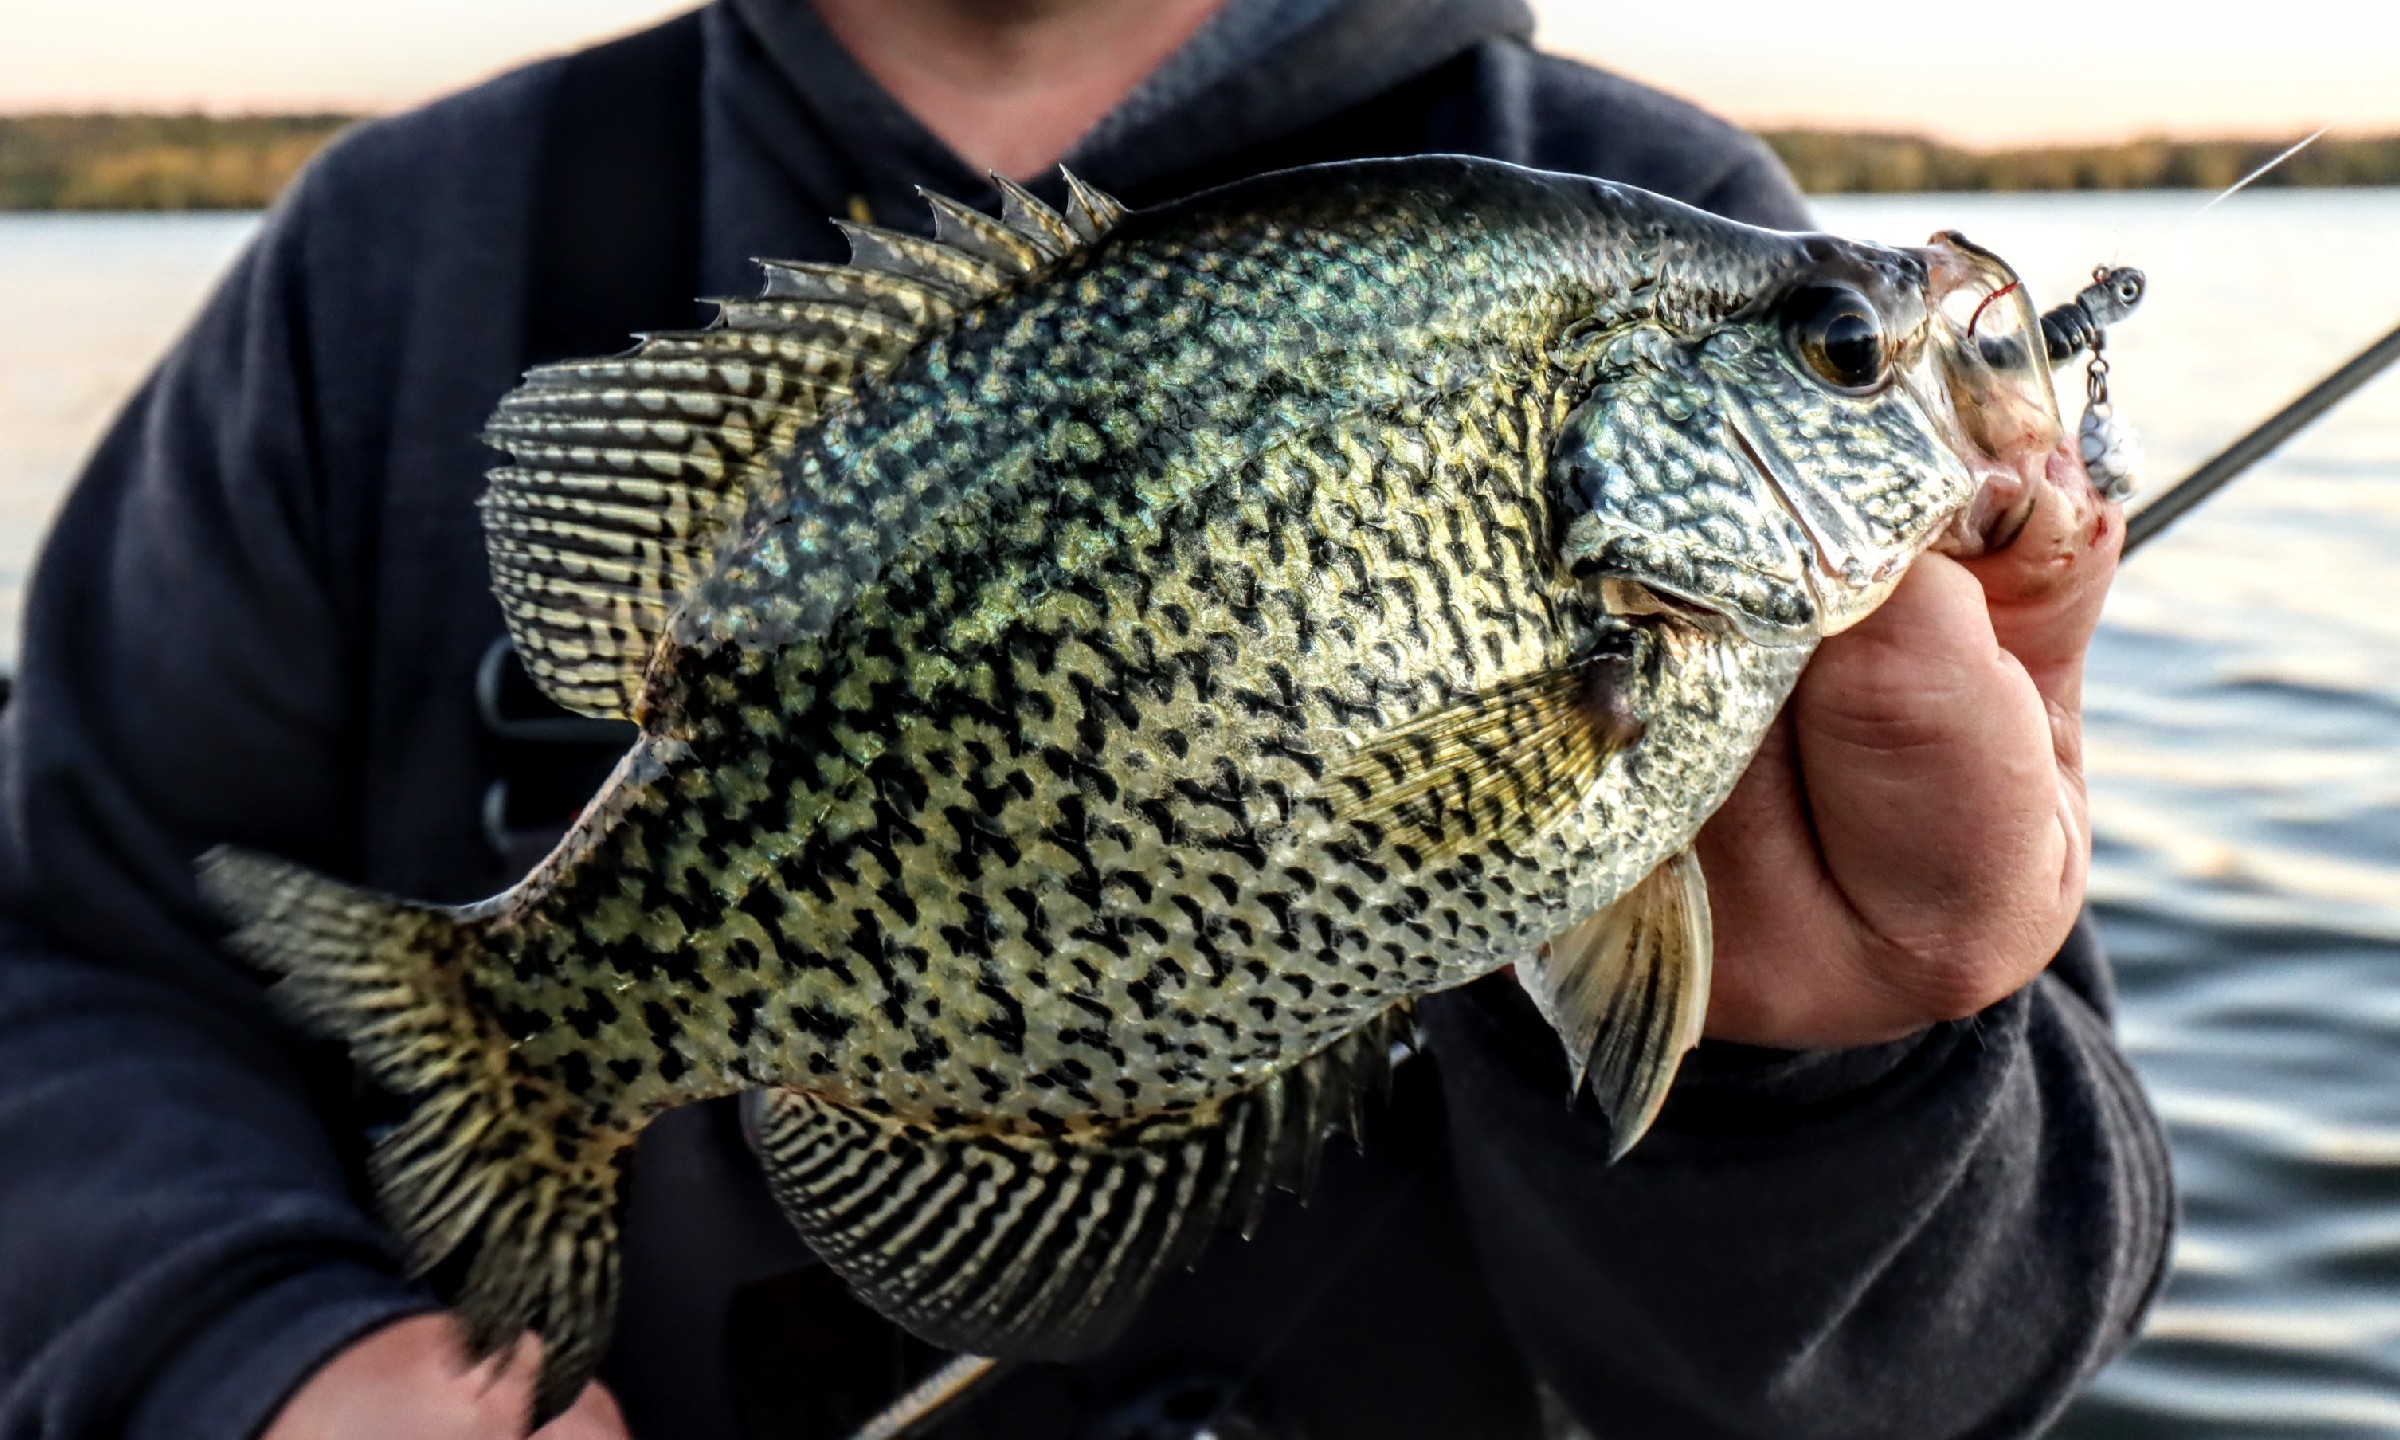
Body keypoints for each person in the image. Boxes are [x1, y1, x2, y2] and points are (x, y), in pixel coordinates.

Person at [0, 1, 2173, 1438]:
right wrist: (259, 1361)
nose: (1872, 374)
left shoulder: (1663, 210)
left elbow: (1968, 1357)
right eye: (1840, 368)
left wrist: (1828, 1079)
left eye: (1842, 366)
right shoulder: (387, 262)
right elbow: (66, 967)